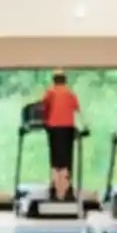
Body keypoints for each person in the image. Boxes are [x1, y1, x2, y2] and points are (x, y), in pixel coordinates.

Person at [40, 72, 82, 201]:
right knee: (66, 160)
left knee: (55, 160)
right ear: (65, 81)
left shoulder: (50, 92)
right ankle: (67, 191)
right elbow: (76, 108)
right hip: (67, 128)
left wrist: (44, 122)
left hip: (53, 127)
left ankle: (54, 189)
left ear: (54, 80)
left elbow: (43, 107)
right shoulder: (70, 93)